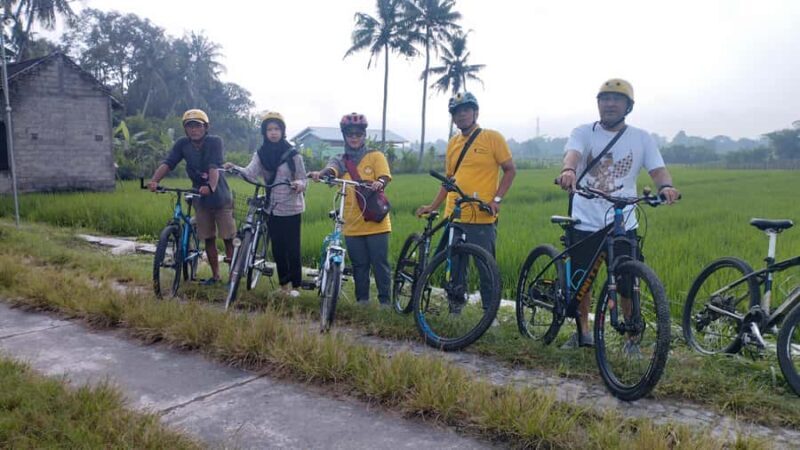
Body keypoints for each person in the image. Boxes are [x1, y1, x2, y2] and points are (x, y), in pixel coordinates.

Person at [556, 78, 680, 349]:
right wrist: (568, 170)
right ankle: (583, 332)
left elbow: (657, 170)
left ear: (628, 106)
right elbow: (573, 155)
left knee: (627, 282)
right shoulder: (584, 132)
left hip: (623, 221)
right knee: (582, 282)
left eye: (616, 99)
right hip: (585, 218)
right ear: (598, 104)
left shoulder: (641, 138)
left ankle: (631, 339)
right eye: (604, 99)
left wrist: (666, 186)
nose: (610, 104)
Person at [416, 91, 516, 269]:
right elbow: (449, 180)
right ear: (453, 118)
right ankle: (455, 297)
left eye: (466, 110)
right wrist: (433, 206)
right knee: (454, 271)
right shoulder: (453, 143)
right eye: (456, 112)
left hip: (482, 216)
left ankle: (489, 298)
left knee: (487, 269)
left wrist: (496, 200)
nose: (461, 114)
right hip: (455, 216)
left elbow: (510, 170)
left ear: (475, 113)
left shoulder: (492, 138)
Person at [308, 113, 392, 307]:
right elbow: (331, 170)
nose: (354, 138)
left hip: (376, 222)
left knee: (380, 264)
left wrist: (379, 182)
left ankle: (385, 302)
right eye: (350, 134)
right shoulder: (339, 159)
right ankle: (362, 301)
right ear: (344, 136)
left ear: (364, 135)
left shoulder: (375, 155)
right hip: (352, 223)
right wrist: (322, 174)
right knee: (359, 265)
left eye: (358, 134)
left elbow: (385, 176)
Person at [224, 112, 307, 297]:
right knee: (277, 247)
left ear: (282, 131)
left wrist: (298, 185)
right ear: (264, 132)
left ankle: (296, 286)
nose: (273, 133)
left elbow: (303, 179)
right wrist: (235, 168)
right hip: (272, 208)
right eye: (269, 129)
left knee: (293, 248)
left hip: (292, 208)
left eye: (277, 129)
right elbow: (250, 173)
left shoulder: (293, 155)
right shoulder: (261, 154)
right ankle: (283, 285)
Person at [148, 109, 235, 285]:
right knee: (208, 237)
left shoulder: (214, 142)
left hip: (219, 196)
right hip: (200, 196)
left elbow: (214, 167)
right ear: (185, 129)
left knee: (227, 237)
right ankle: (216, 275)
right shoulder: (182, 144)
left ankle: (233, 277)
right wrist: (154, 181)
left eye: (198, 126)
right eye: (190, 126)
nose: (194, 130)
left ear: (205, 127)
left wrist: (210, 186)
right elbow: (169, 163)